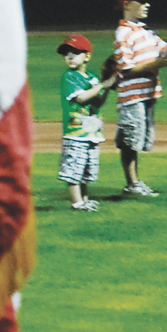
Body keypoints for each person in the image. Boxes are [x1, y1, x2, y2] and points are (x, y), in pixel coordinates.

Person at [108, 0, 167, 198]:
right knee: (130, 141)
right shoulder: (123, 33)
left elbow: (166, 51)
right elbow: (127, 68)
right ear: (127, 4)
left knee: (139, 139)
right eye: (141, 1)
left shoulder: (147, 33)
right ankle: (132, 183)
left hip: (147, 95)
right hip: (132, 96)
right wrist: (155, 65)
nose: (147, 4)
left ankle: (135, 183)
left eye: (146, 0)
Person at [56, 35, 109, 210]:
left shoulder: (92, 78)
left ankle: (84, 200)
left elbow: (98, 102)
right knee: (74, 170)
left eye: (75, 53)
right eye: (67, 54)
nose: (70, 57)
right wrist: (102, 86)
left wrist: (107, 87)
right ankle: (77, 203)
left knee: (87, 169)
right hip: (75, 132)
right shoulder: (69, 77)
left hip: (92, 132)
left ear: (87, 56)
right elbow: (81, 98)